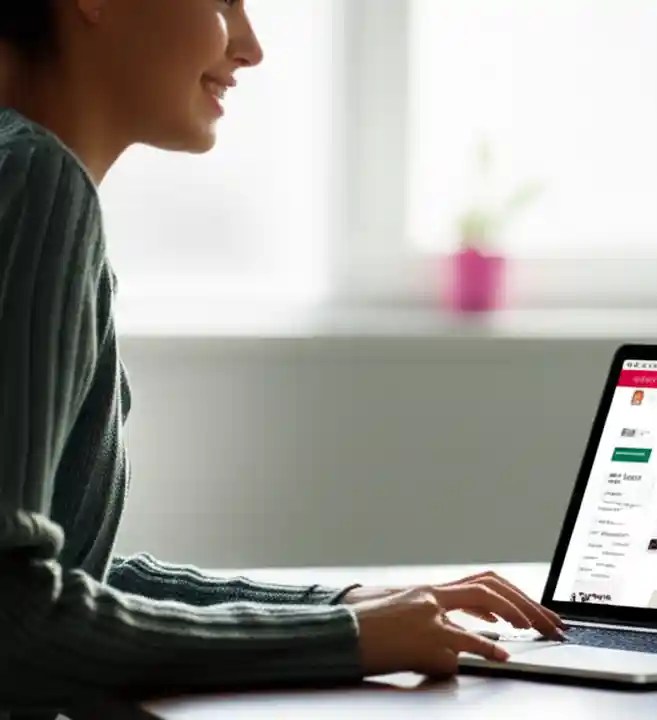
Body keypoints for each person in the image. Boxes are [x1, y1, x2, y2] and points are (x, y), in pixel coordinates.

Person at [0, 2, 563, 717]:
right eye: (221, 2)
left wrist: (350, 602)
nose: (251, 46)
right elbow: (15, 619)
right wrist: (346, 637)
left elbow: (75, 575)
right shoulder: (38, 184)